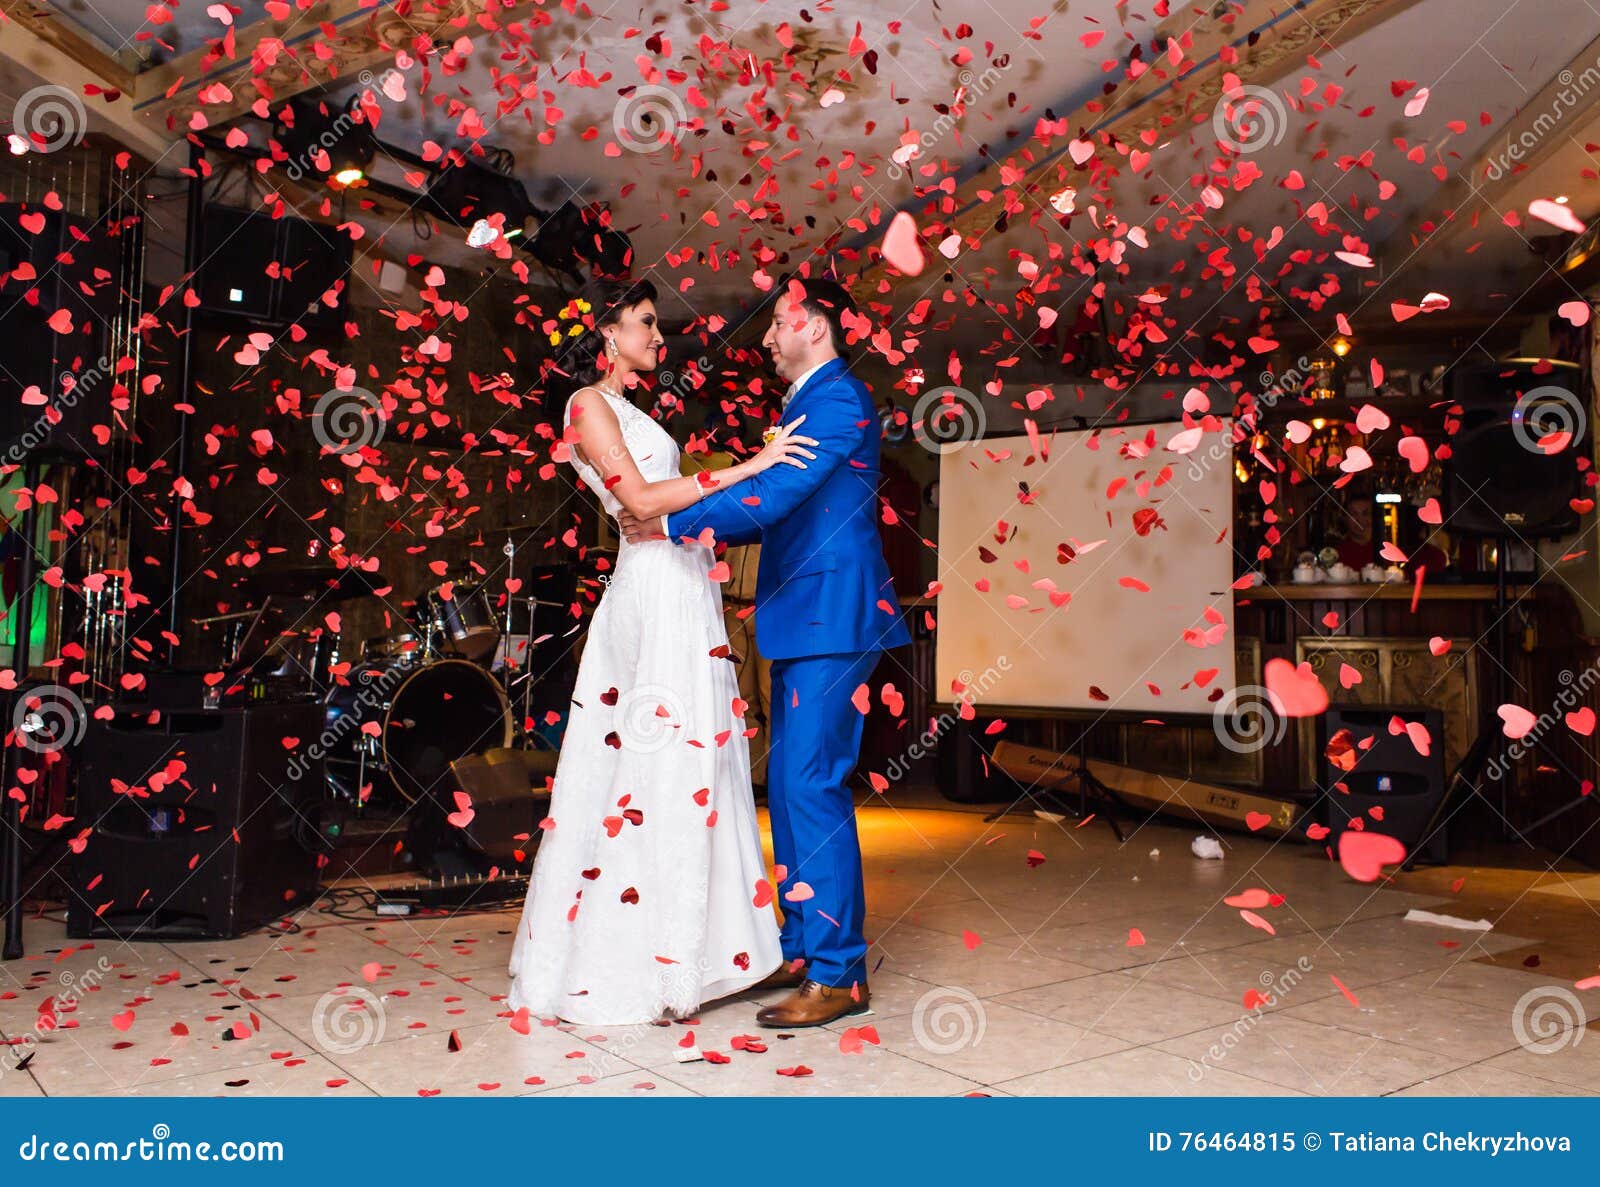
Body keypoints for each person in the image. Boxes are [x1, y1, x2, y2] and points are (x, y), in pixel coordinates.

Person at [506, 276, 816, 1026]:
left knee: (696, 765)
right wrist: (754, 465)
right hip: (651, 590)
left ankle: (702, 955)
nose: (657, 334)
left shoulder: (630, 408)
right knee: (654, 763)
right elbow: (641, 503)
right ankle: (638, 963)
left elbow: (662, 500)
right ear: (607, 333)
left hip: (680, 583)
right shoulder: (587, 405)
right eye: (645, 322)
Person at [619, 275, 911, 1028]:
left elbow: (775, 495)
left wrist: (668, 520)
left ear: (813, 327)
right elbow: (777, 506)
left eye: (778, 324)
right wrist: (687, 516)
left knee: (811, 785)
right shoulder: (811, 403)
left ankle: (841, 972)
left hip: (834, 620)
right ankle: (801, 949)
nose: (766, 339)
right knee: (786, 787)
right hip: (805, 618)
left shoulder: (837, 399)